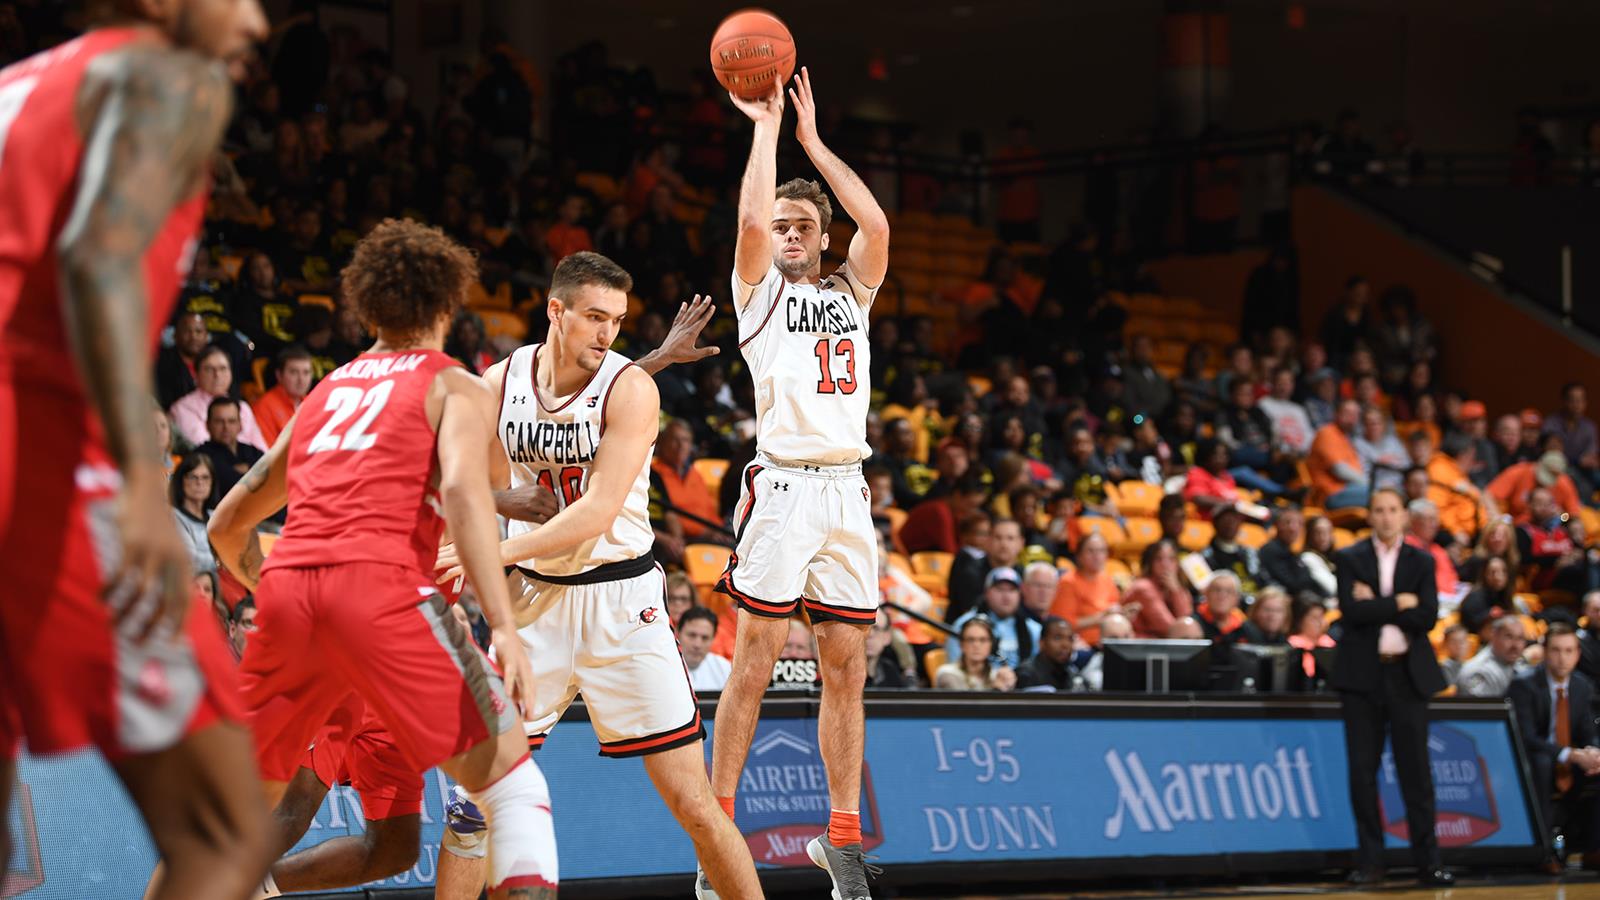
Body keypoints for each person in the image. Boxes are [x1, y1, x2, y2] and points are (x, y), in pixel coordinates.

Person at [0, 5, 274, 897]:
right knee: (227, 829)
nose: (259, 21)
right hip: (37, 449)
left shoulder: (25, 84)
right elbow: (101, 262)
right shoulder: (166, 74)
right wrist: (136, 478)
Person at [205, 220, 559, 900]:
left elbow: (226, 526)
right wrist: (504, 626)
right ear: (450, 305)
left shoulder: (324, 393)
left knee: (346, 836)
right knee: (513, 788)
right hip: (385, 601)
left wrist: (280, 585)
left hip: (293, 598)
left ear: (364, 305)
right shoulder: (456, 385)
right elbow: (458, 490)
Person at [438, 253, 760, 900]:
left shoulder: (633, 386)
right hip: (532, 601)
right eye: (593, 317)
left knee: (694, 805)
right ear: (555, 311)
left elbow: (596, 512)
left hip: (622, 602)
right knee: (471, 805)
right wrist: (488, 519)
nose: (608, 333)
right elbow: (477, 482)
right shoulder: (502, 380)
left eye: (615, 320)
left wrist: (486, 553)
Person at [708, 67, 892, 900]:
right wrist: (766, 128)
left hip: (848, 493)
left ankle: (841, 839)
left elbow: (878, 222)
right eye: (781, 224)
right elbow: (749, 215)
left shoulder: (854, 291)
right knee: (751, 663)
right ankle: (718, 833)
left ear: (822, 237)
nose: (787, 232)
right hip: (782, 489)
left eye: (802, 224)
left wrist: (817, 145)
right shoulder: (760, 301)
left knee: (846, 667)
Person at [1330, 487, 1451, 886]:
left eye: (1392, 510)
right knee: (1362, 773)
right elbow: (1351, 613)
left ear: (1403, 516)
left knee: (1416, 773)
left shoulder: (1422, 559)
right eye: (1378, 510)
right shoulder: (1350, 558)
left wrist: (1376, 604)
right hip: (1361, 679)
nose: (1385, 517)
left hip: (1406, 676)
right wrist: (1398, 602)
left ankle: (1428, 862)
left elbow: (1428, 616)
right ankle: (1371, 862)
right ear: (1369, 516)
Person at [1508, 624, 1600, 873]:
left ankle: (1593, 849)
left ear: (1578, 654)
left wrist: (1593, 752)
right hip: (1533, 757)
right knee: (1541, 763)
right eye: (1556, 650)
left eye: (1569, 651)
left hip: (1570, 757)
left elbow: (1587, 730)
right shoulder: (1524, 684)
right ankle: (1543, 851)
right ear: (1545, 652)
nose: (1563, 658)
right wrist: (1570, 754)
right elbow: (1525, 737)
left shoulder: (1582, 685)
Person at [170, 344, 268, 450]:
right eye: (209, 369)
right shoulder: (182, 408)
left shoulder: (243, 408)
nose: (217, 375)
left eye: (223, 369)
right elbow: (202, 447)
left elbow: (262, 451)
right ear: (196, 374)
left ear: (231, 373)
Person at [946, 567, 1041, 669]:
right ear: (987, 592)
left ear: (1020, 594)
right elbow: (955, 666)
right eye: (1000, 589)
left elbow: (1036, 670)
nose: (1006, 596)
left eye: (1012, 590)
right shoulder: (964, 625)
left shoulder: (1033, 630)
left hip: (1021, 682)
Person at [1049, 532, 1127, 645]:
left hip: (1109, 642)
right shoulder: (1068, 582)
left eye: (1101, 550)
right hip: (1081, 644)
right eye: (1091, 551)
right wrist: (1102, 617)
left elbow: (1114, 611)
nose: (1097, 556)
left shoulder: (1108, 580)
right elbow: (1063, 623)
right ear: (1079, 555)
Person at [196, 397, 266, 500]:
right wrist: (253, 470)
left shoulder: (253, 451)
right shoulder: (201, 456)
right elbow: (233, 485)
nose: (226, 427)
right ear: (208, 425)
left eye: (232, 421)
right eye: (219, 421)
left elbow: (272, 476)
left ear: (240, 425)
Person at [1489, 450, 1583, 523]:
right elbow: (1488, 495)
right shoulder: (1519, 472)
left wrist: (1561, 516)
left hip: (1550, 530)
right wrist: (1498, 518)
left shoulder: (1564, 483)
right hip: (1517, 526)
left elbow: (1572, 516)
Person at [1125, 539, 1193, 638]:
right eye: (1159, 559)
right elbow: (1170, 629)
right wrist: (1177, 592)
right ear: (1150, 564)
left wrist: (1176, 591)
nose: (1165, 564)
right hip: (1137, 646)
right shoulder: (1143, 587)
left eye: (1171, 559)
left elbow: (1188, 621)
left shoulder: (1177, 587)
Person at [251, 344, 315, 448]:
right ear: (279, 375)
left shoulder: (313, 404)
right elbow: (268, 455)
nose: (301, 379)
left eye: (306, 372)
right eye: (294, 372)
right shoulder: (264, 406)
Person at [1309, 399, 1368, 508]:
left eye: (1355, 414)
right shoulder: (1327, 433)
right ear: (1336, 413)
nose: (1352, 418)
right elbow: (1340, 470)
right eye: (1348, 413)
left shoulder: (1346, 438)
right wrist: (1370, 484)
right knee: (1380, 494)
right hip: (1332, 493)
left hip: (1350, 488)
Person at [935, 617, 1017, 691]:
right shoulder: (947, 674)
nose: (976, 645)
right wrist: (995, 691)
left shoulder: (996, 676)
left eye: (983, 640)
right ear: (961, 644)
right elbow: (963, 705)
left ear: (992, 645)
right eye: (971, 640)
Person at [1456, 616, 1528, 698]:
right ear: (1494, 636)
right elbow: (1483, 708)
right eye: (1509, 637)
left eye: (1520, 638)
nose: (1515, 645)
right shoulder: (1478, 671)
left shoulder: (1520, 664)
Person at [169, 452, 217, 576]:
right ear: (181, 480)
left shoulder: (216, 517)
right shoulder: (172, 517)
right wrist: (220, 562)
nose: (199, 482)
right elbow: (190, 560)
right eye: (192, 477)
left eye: (205, 477)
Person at [1260, 507, 1323, 599]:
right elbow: (1293, 584)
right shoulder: (1271, 550)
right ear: (1277, 525)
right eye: (1287, 522)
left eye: (1299, 524)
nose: (1293, 528)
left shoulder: (1290, 552)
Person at [943, 512, 992, 624]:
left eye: (988, 533)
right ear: (965, 535)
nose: (987, 538)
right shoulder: (964, 562)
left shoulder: (985, 559)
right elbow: (966, 601)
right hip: (962, 620)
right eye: (981, 533)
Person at [1015, 618, 1079, 691]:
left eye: (1070, 639)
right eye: (1058, 638)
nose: (1065, 644)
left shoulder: (1072, 673)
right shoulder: (1026, 674)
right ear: (1042, 643)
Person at [1458, 556, 1518, 635]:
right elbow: (1468, 624)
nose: (1498, 577)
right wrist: (1487, 616)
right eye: (1493, 572)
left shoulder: (1505, 595)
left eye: (1503, 571)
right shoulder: (1474, 598)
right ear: (1485, 575)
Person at [681, 607, 731, 692]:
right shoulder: (661, 665)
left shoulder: (724, 669)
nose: (697, 644)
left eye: (705, 638)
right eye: (692, 635)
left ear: (713, 639)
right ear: (677, 633)